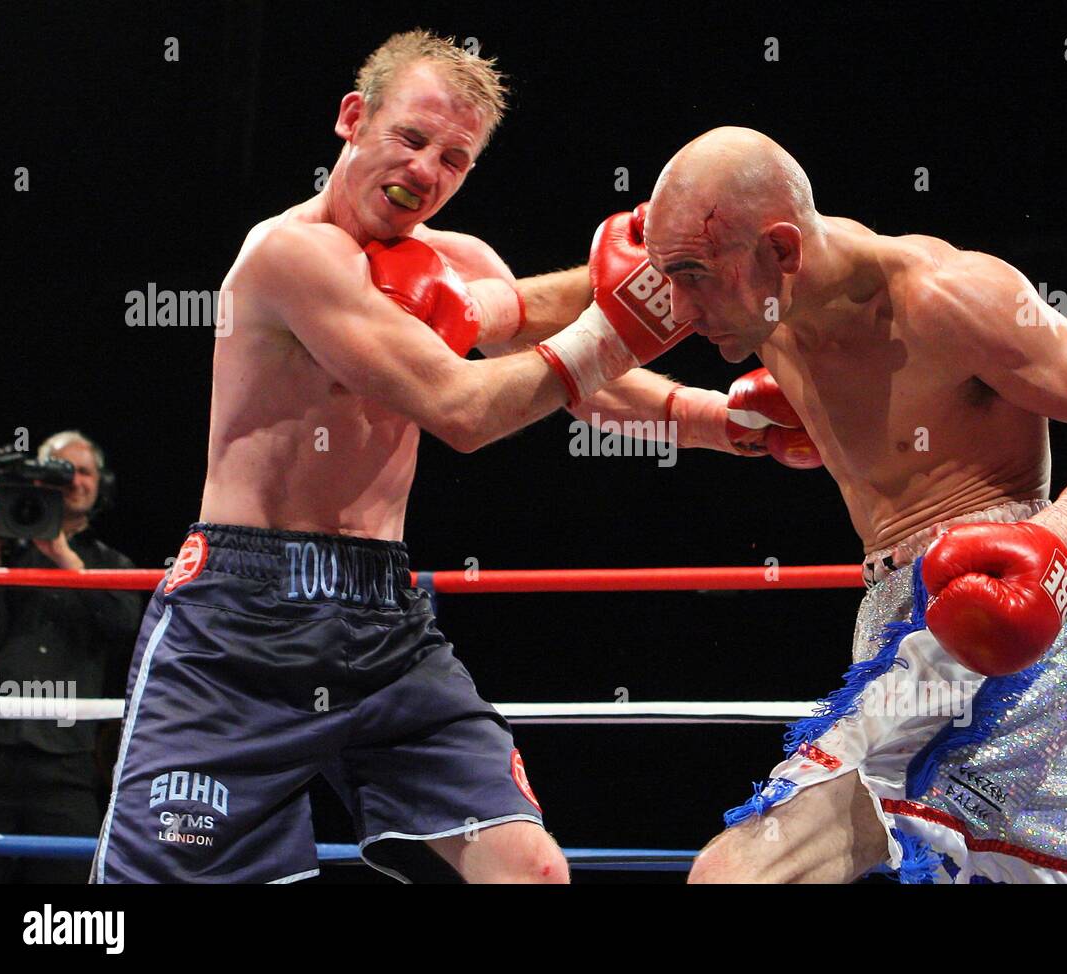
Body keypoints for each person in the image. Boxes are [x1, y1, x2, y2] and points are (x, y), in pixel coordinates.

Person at [91, 32, 817, 885]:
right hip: (239, 624)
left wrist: (726, 421)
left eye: (456, 159)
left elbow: (577, 387)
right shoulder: (289, 254)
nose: (427, 171)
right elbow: (461, 409)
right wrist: (615, 320)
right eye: (412, 139)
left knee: (530, 870)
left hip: (382, 620)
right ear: (353, 119)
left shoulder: (461, 265)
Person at [642, 127, 1067, 884]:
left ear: (783, 250)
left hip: (984, 613)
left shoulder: (948, 297)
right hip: (896, 614)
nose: (677, 306)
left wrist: (1056, 544)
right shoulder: (754, 307)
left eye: (691, 275)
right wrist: (711, 419)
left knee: (740, 874)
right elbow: (553, 352)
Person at [0, 431, 142, 883]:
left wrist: (66, 560)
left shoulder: (112, 564)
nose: (73, 481)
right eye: (60, 471)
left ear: (99, 484)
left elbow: (126, 628)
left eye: (82, 471)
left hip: (65, 761)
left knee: (68, 882)